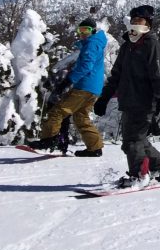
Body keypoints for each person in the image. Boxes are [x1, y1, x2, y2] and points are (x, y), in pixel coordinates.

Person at [94, 6, 160, 186]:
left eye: (140, 21)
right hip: (128, 102)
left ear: (148, 24)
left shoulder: (150, 44)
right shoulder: (127, 46)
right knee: (139, 141)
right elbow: (116, 75)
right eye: (133, 20)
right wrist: (104, 97)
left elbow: (158, 74)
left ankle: (139, 175)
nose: (135, 24)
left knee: (132, 142)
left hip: (144, 102)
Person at [28, 17, 108, 156]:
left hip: (84, 86)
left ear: (93, 31)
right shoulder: (94, 43)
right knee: (80, 116)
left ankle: (49, 139)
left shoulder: (92, 43)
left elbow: (86, 66)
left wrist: (69, 80)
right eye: (80, 30)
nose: (83, 33)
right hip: (93, 88)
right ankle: (95, 147)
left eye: (86, 30)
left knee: (58, 111)